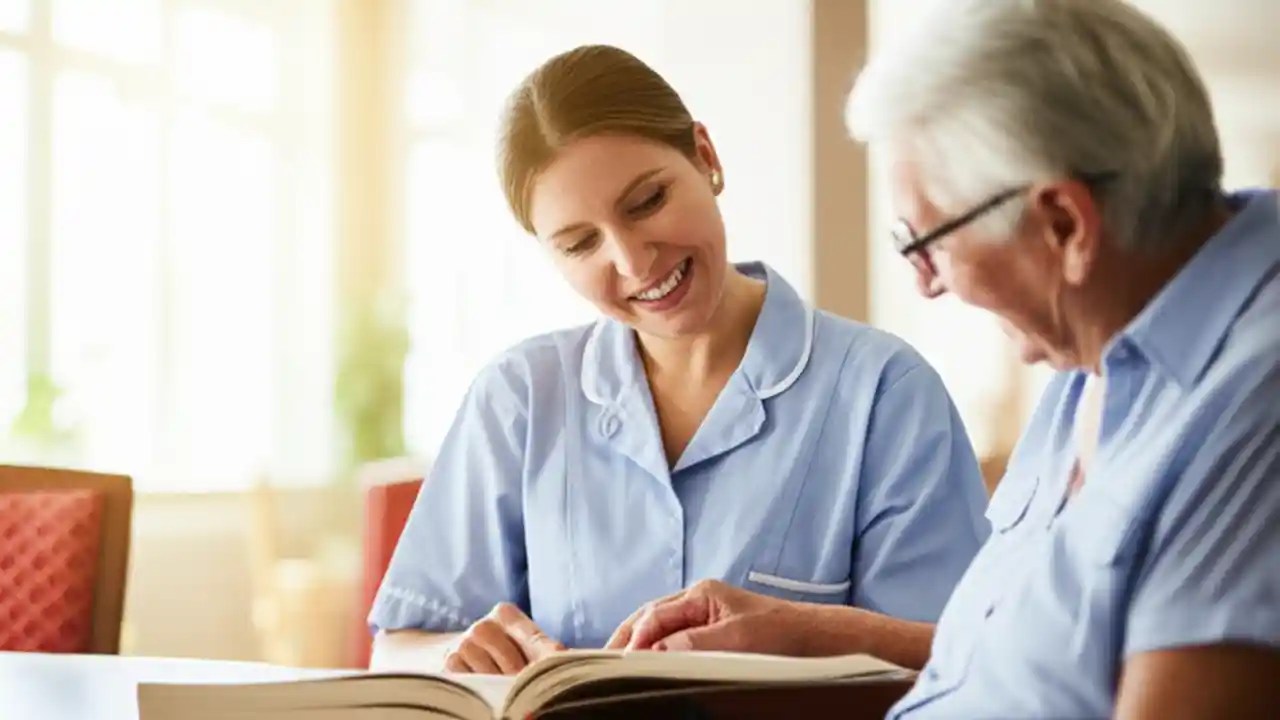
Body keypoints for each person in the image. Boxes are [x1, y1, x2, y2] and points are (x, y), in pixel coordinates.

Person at [608, 1, 1280, 717]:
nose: (925, 282)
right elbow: (1038, 658)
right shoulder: (1096, 345)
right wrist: (809, 632)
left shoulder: (1252, 403)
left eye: (925, 240)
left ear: (1063, 225)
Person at [368, 44, 989, 676]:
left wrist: (809, 632)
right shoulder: (519, 398)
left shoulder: (885, 393)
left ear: (707, 158)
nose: (635, 262)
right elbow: (394, 651)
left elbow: (967, 659)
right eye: (581, 243)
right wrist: (454, 653)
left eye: (646, 203)